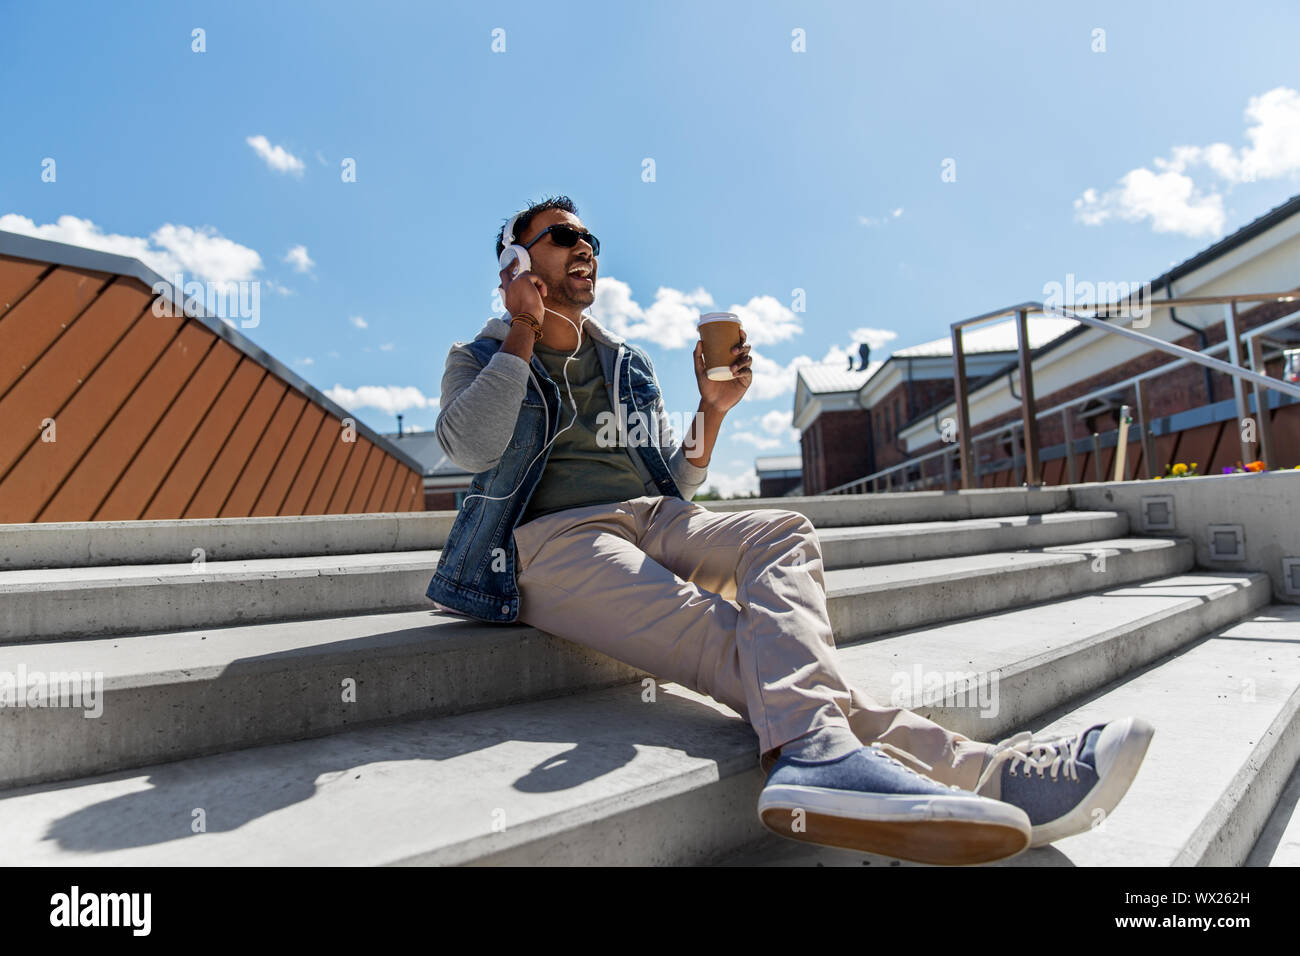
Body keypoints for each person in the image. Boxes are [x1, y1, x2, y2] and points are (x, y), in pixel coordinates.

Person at [426, 195, 1154, 865]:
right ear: (516, 263)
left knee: (785, 531)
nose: (582, 245)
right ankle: (990, 774)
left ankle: (823, 755)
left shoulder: (625, 362)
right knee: (727, 636)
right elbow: (470, 446)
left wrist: (713, 410)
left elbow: (669, 480)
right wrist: (522, 325)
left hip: (653, 518)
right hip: (553, 543)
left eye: (588, 235)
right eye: (560, 235)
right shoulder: (482, 356)